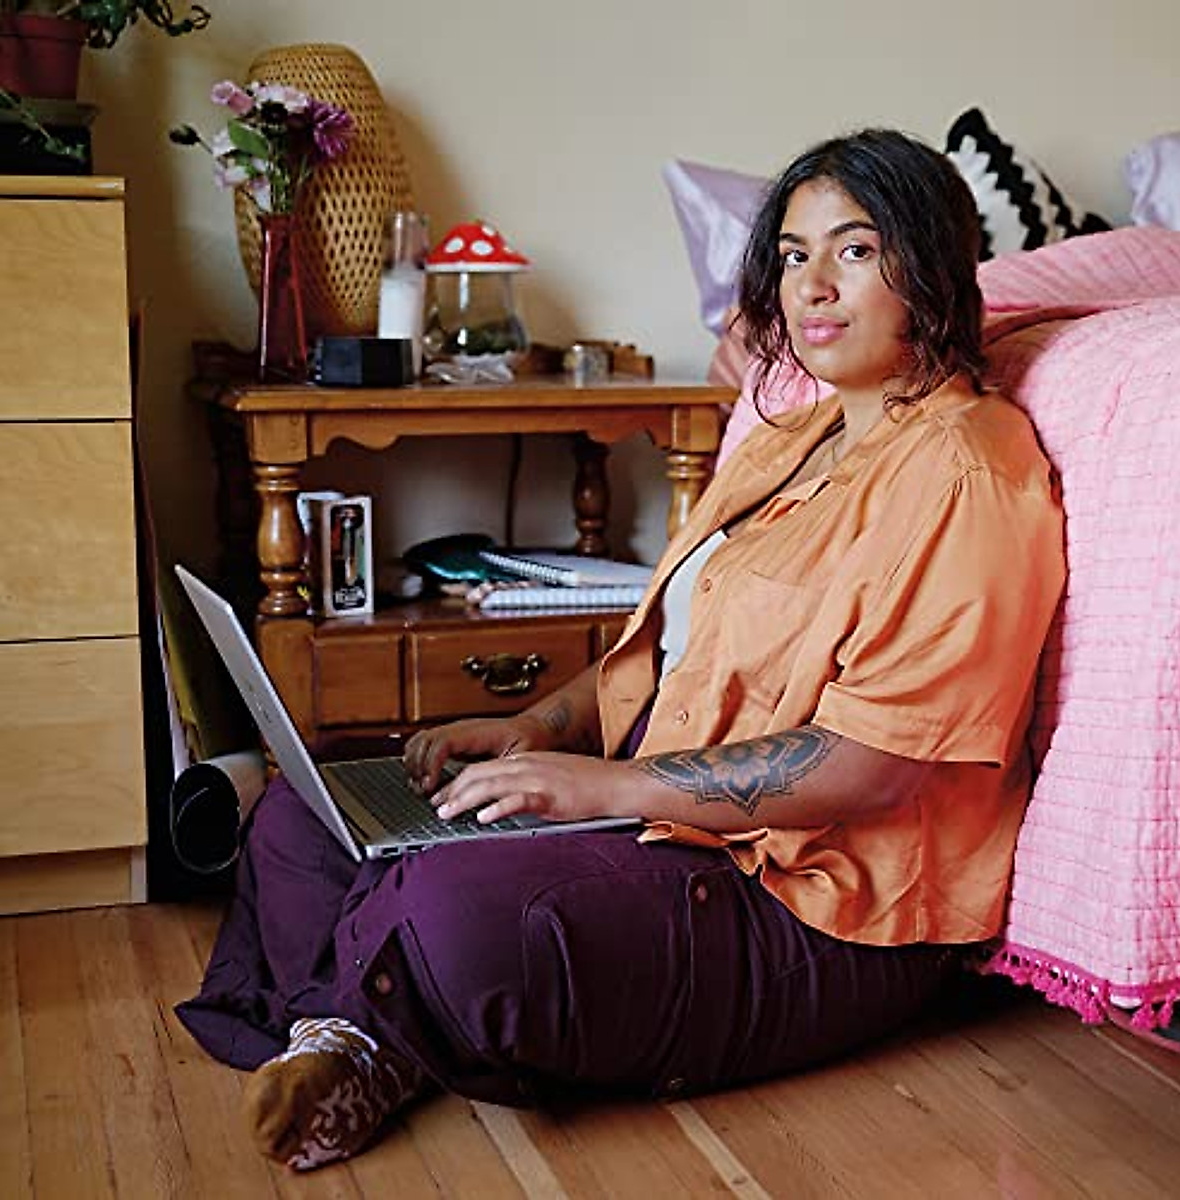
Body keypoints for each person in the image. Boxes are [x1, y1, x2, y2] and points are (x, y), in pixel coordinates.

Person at [177, 128, 1066, 1171]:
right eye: (792, 255)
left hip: (817, 898)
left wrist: (604, 787)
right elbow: (672, 653)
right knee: (307, 812)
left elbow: (876, 765)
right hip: (664, 815)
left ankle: (367, 1023)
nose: (812, 286)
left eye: (856, 250)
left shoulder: (967, 472)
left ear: (935, 264)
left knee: (448, 901)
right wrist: (536, 727)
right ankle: (358, 1029)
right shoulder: (793, 439)